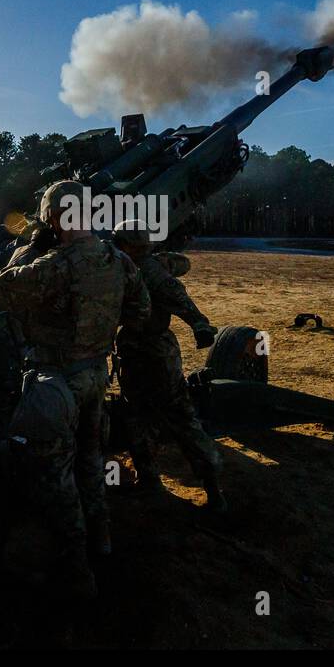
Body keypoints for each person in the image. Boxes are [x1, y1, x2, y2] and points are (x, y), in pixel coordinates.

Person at [0, 181, 149, 599]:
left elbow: (1, 292)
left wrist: (27, 251)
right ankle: (103, 541)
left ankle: (78, 574)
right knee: (91, 460)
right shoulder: (118, 259)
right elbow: (142, 310)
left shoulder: (53, 264)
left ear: (55, 216)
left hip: (53, 381)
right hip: (96, 374)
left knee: (57, 475)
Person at [111, 220, 227, 513]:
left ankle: (163, 481)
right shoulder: (152, 266)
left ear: (125, 244)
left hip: (145, 352)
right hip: (152, 350)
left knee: (151, 416)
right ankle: (209, 488)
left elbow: (179, 297)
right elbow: (180, 277)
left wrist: (199, 323)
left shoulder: (139, 271)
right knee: (172, 417)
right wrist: (198, 324)